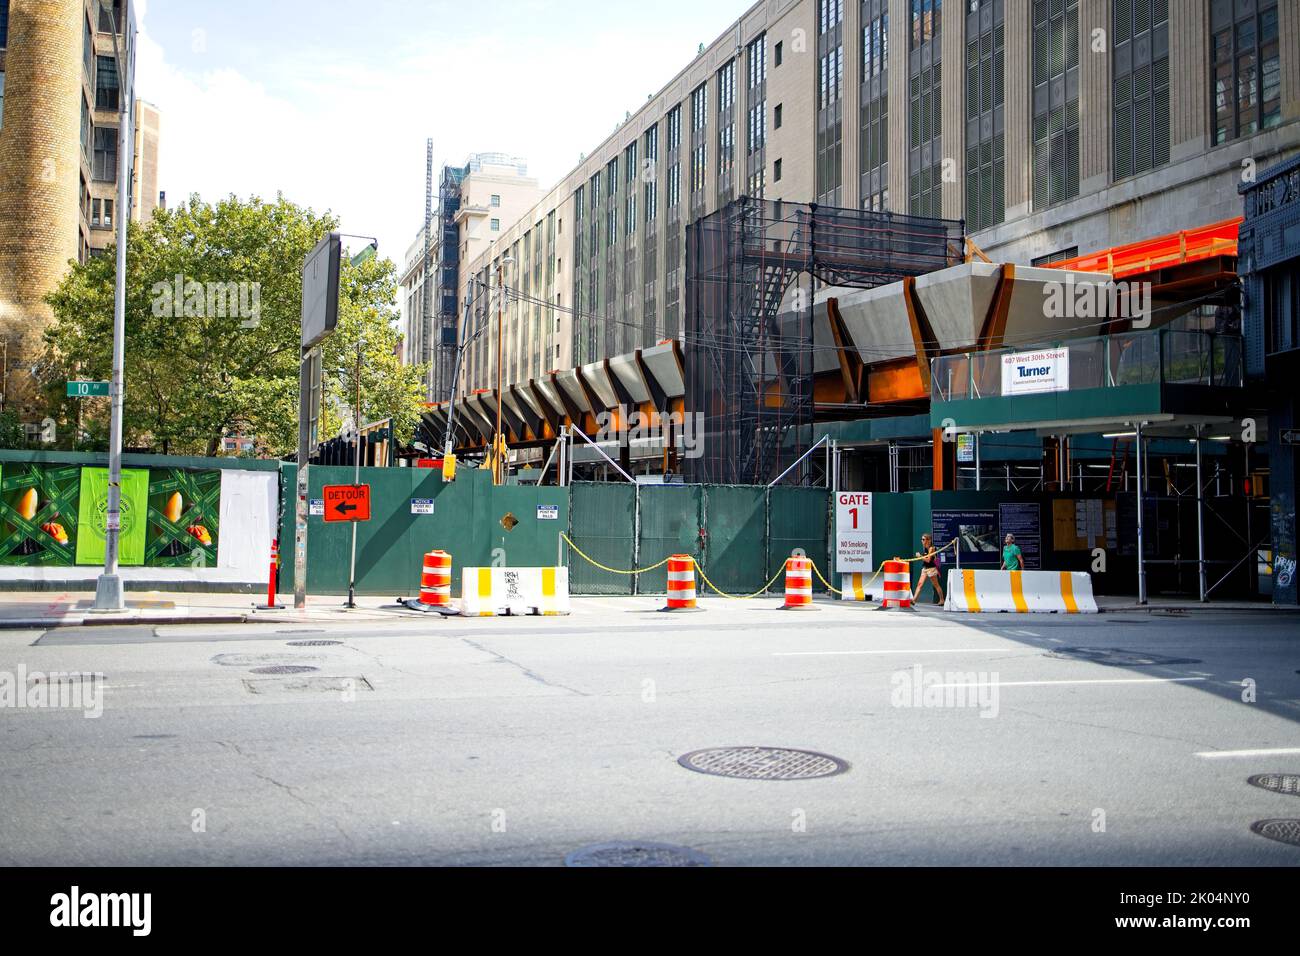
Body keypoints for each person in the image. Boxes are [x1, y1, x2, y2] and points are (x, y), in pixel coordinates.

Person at [913, 533, 945, 605]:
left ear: (929, 540)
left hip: (931, 569)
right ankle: (914, 600)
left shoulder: (932, 548)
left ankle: (942, 600)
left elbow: (928, 560)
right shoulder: (924, 547)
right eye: (922, 539)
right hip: (925, 568)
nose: (922, 541)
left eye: (923, 539)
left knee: (936, 585)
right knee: (920, 584)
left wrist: (919, 556)